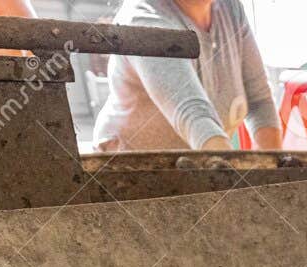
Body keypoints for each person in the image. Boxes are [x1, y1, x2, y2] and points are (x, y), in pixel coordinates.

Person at [92, 0, 282, 153]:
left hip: (196, 165)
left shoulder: (230, 8)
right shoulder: (144, 19)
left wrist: (274, 174)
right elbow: (194, 116)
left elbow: (259, 101)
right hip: (132, 173)